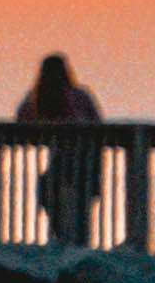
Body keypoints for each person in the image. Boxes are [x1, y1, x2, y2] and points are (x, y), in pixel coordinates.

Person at [15, 50, 105, 252]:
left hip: (78, 159)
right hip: (82, 159)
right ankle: (76, 243)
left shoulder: (39, 98)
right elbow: (99, 125)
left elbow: (20, 121)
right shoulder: (77, 96)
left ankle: (64, 239)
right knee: (71, 200)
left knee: (51, 192)